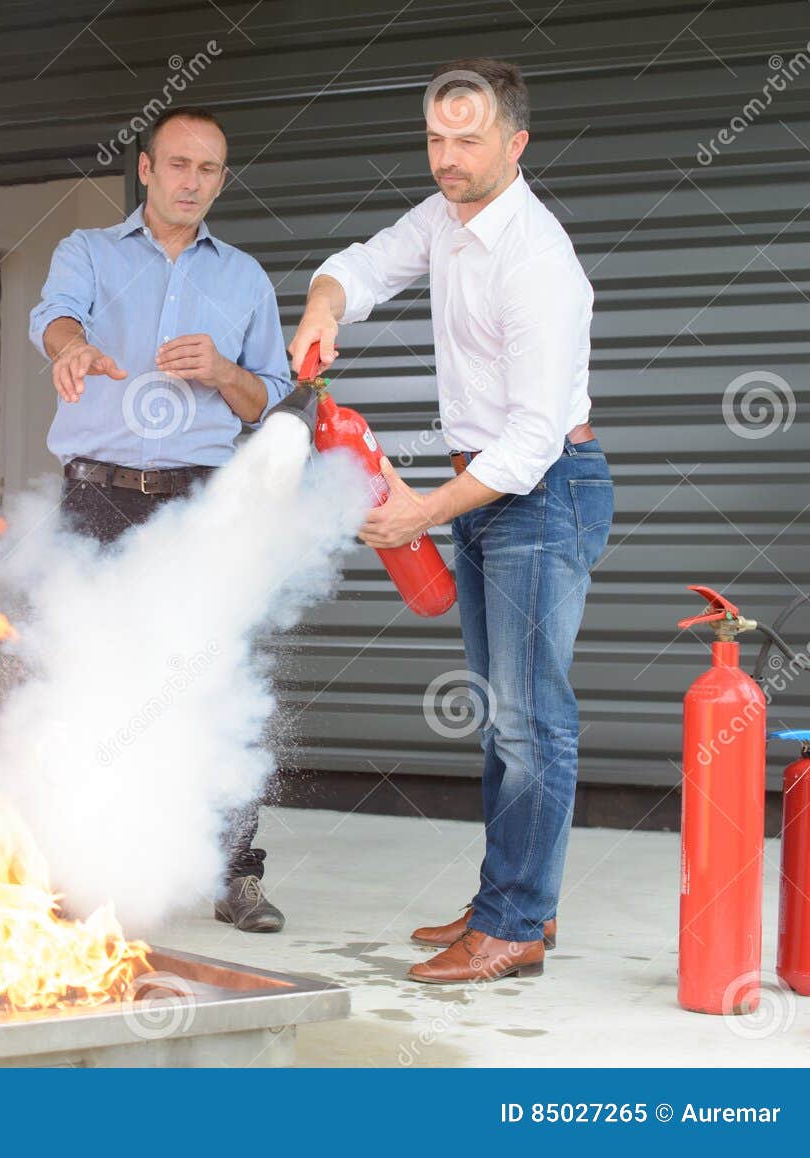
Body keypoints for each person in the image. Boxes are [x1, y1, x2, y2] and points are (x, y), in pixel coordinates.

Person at [290, 58, 613, 984]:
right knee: (501, 720)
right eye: (436, 138)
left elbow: (531, 443)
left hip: (542, 490)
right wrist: (323, 303)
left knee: (531, 722)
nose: (447, 158)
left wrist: (422, 512)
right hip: (484, 488)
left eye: (467, 141)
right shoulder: (444, 217)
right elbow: (360, 265)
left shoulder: (536, 260)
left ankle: (514, 927)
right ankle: (510, 903)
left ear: (515, 143)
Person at [29, 106, 294, 932]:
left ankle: (235, 872)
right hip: (98, 493)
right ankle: (84, 870)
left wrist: (222, 371)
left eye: (208, 169)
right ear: (146, 169)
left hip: (202, 501)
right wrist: (69, 346)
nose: (192, 182)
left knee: (217, 677)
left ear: (221, 178)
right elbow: (55, 317)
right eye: (177, 164)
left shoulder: (244, 279)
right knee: (90, 675)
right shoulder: (89, 254)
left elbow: (274, 401)